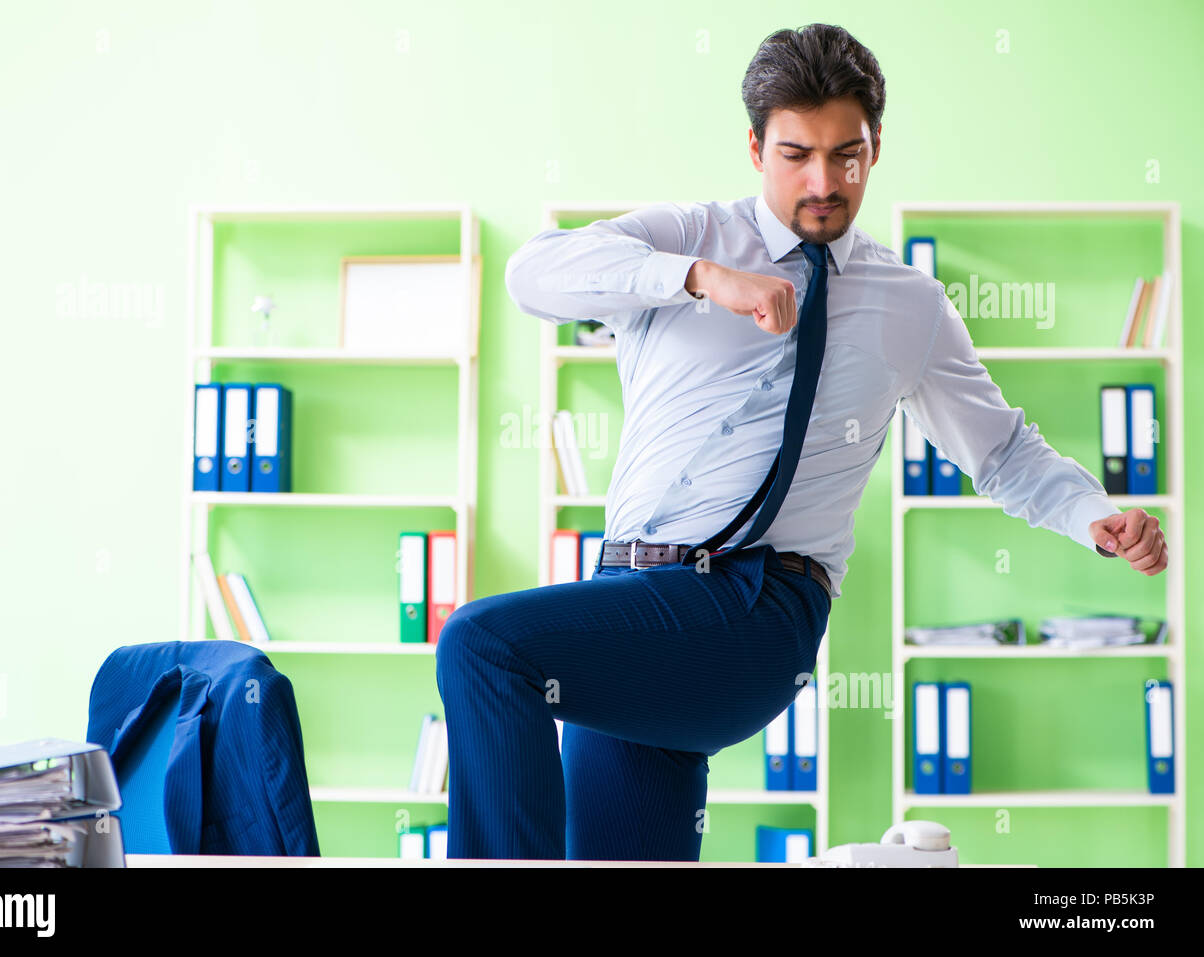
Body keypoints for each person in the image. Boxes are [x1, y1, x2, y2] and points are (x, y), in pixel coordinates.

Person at [435, 22, 1168, 862]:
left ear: (875, 147)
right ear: (754, 147)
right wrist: (699, 279)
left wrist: (1092, 513)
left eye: (845, 155)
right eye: (795, 155)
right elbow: (535, 274)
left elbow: (1002, 451)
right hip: (631, 606)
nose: (823, 182)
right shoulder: (689, 240)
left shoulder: (909, 303)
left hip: (756, 608)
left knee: (482, 645)